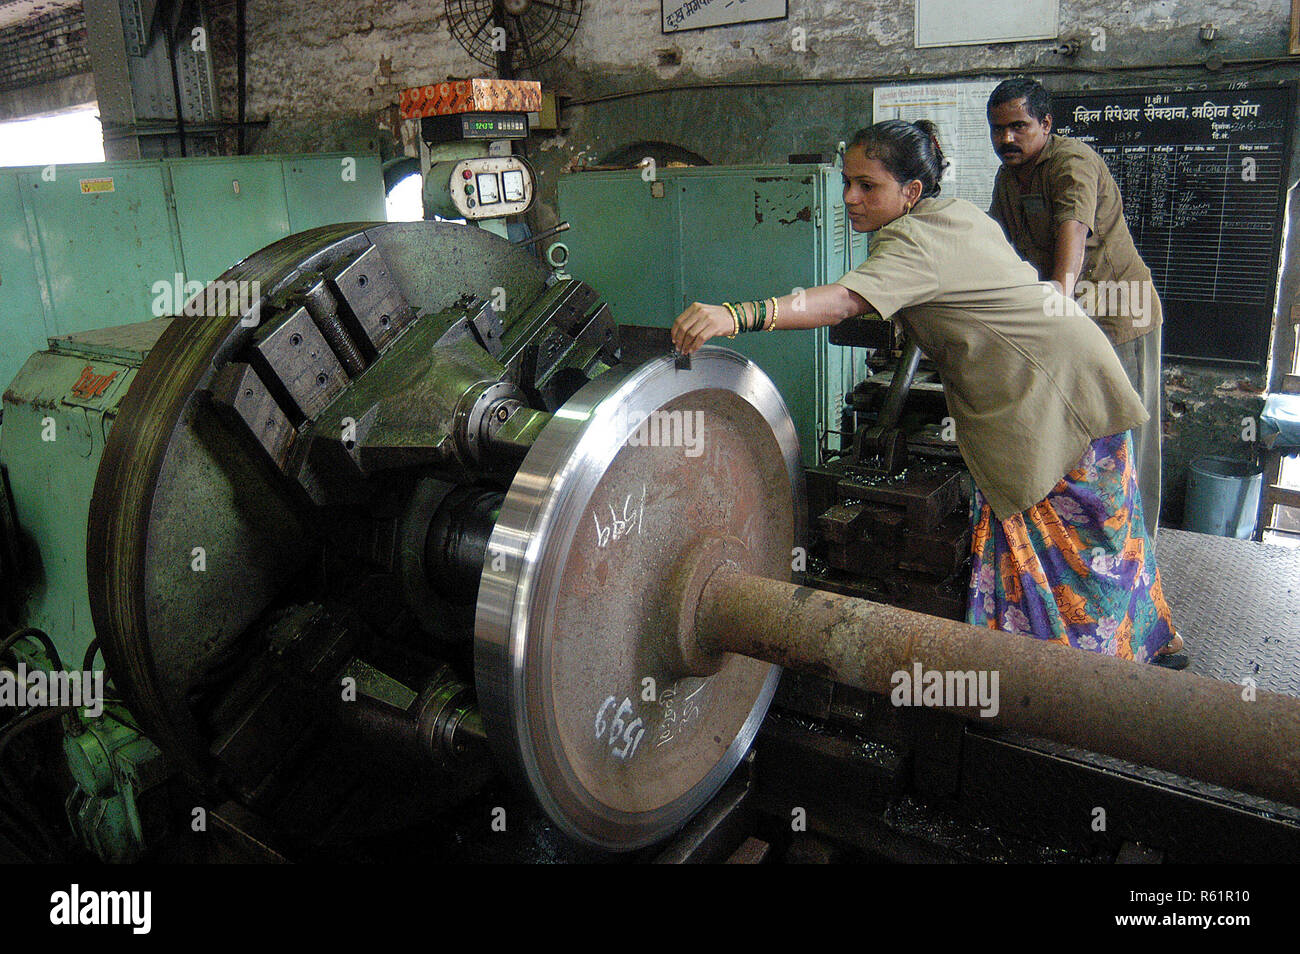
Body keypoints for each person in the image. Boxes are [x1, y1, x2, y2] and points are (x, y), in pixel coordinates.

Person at [671, 119, 1186, 667]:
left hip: (1051, 395)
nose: (850, 198)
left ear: (911, 192)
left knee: (1074, 548)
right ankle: (1156, 641)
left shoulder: (914, 241)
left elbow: (845, 302)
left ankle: (1084, 682)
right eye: (847, 182)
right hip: (1079, 373)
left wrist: (736, 315)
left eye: (867, 186)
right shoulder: (955, 214)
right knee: (1108, 527)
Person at [986, 76, 1164, 541]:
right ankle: (1089, 543)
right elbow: (993, 244)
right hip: (1071, 317)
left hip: (1119, 313)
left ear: (1046, 123)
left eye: (1019, 126)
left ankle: (1138, 546)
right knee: (1081, 429)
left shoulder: (1072, 161)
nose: (1006, 138)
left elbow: (1072, 237)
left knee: (1125, 430)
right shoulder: (1008, 177)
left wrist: (1054, 314)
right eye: (997, 129)